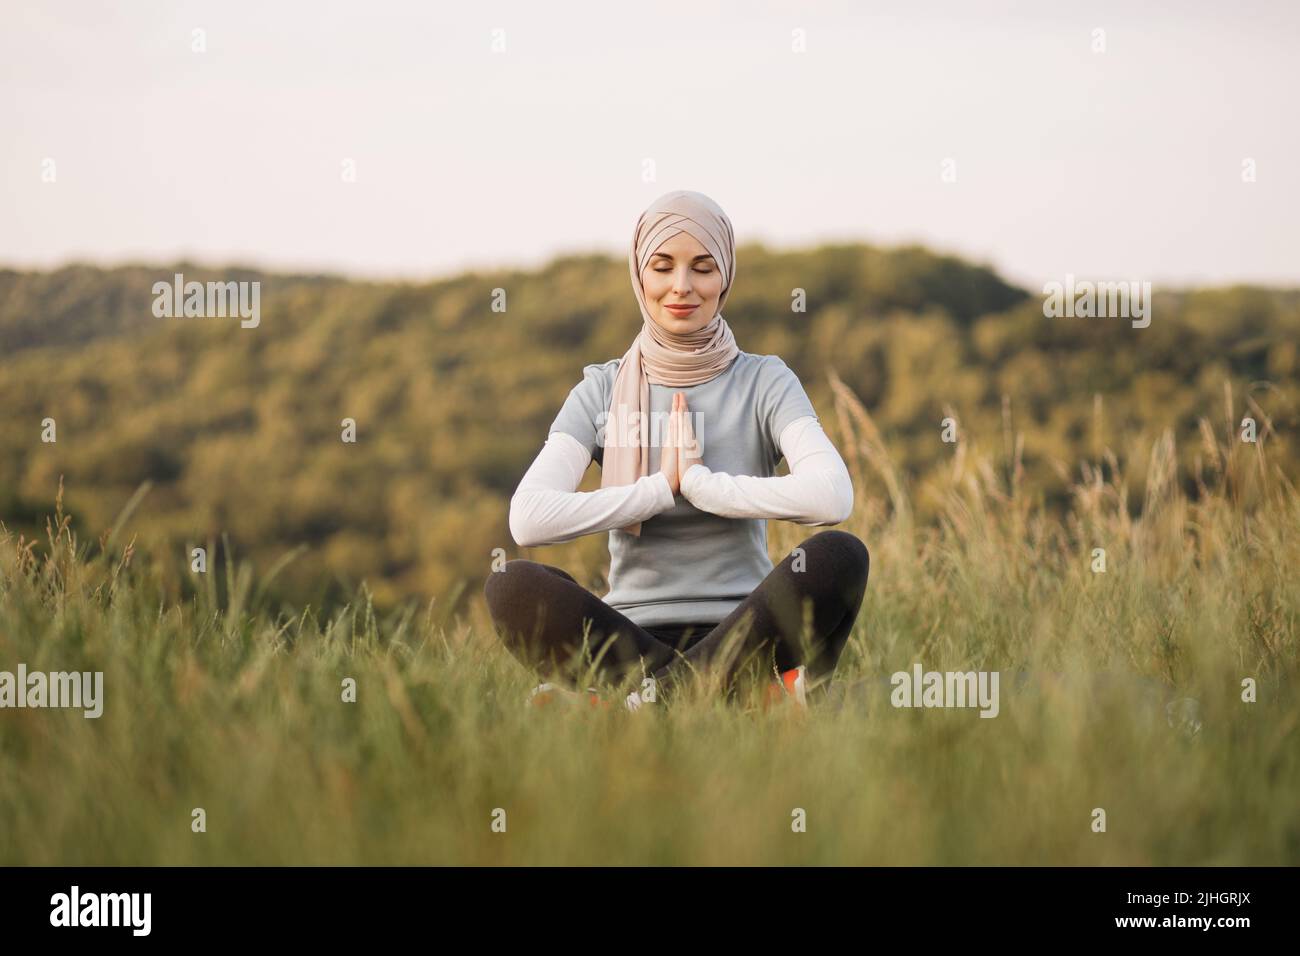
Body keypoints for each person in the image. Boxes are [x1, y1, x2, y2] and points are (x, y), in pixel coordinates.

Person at [483, 190, 869, 710]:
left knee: (840, 555)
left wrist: (705, 486)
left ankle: (637, 706)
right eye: (663, 266)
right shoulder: (601, 389)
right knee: (512, 585)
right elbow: (529, 520)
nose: (682, 286)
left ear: (725, 276)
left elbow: (832, 496)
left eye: (703, 268)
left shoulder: (766, 380)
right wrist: (658, 490)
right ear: (639, 275)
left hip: (751, 630)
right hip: (628, 638)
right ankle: (745, 700)